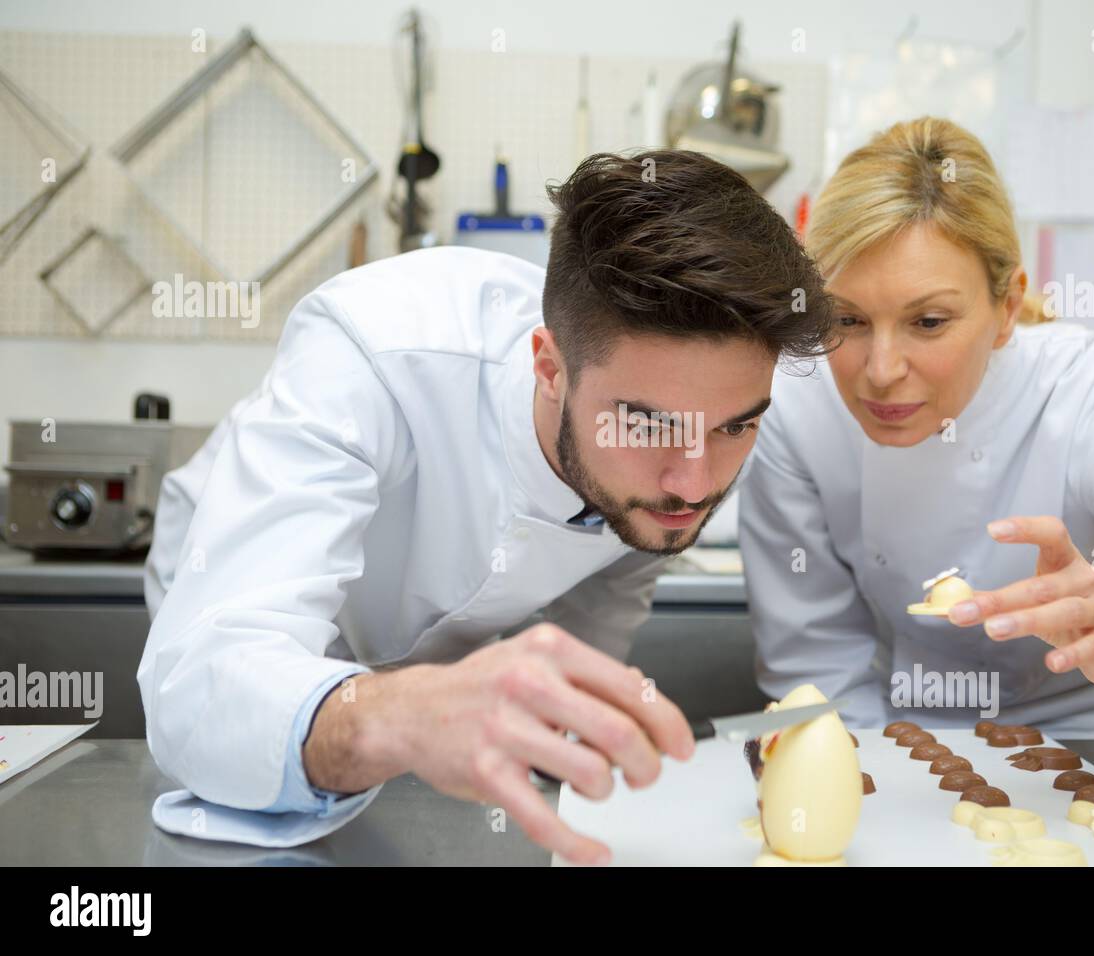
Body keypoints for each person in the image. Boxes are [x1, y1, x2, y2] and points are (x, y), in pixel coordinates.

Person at [140, 149, 834, 863]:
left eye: (735, 426)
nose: (693, 485)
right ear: (549, 369)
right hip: (246, 624)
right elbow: (200, 684)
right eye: (648, 425)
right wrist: (400, 716)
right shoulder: (372, 354)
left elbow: (609, 588)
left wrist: (572, 739)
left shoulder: (652, 478)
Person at [739, 117, 1094, 803]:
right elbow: (816, 669)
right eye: (847, 319)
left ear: (1007, 307)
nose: (879, 371)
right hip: (896, 746)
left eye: (929, 322)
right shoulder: (797, 409)